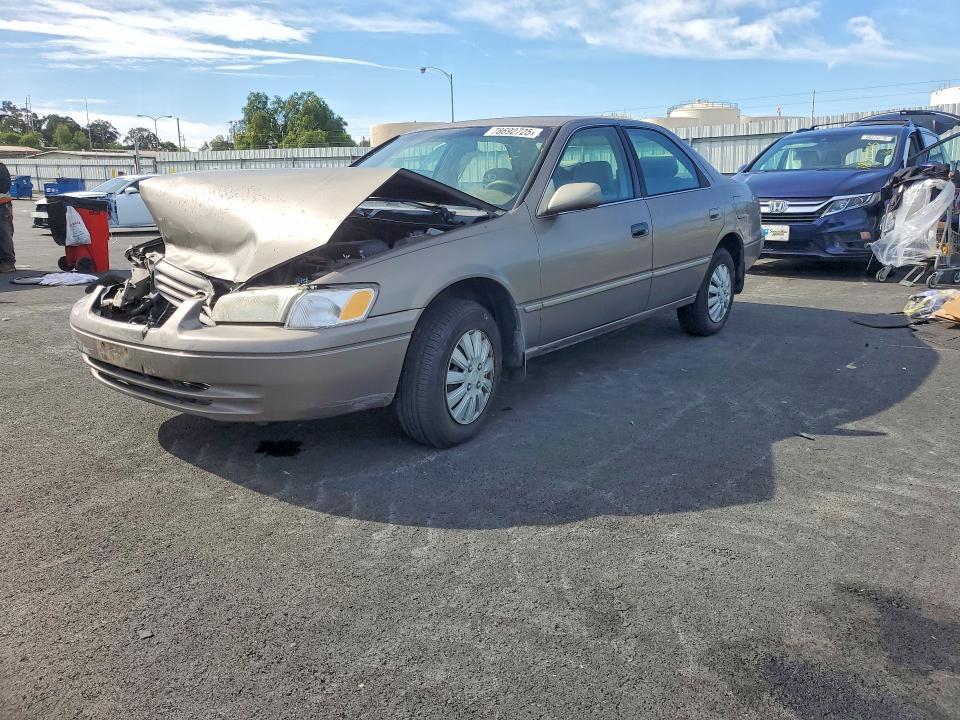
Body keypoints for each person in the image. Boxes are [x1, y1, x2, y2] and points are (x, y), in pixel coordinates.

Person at [0, 161, 15, 272]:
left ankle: (8, 263)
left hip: (2, 206)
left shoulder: (0, 167)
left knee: (4, 235)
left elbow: (4, 186)